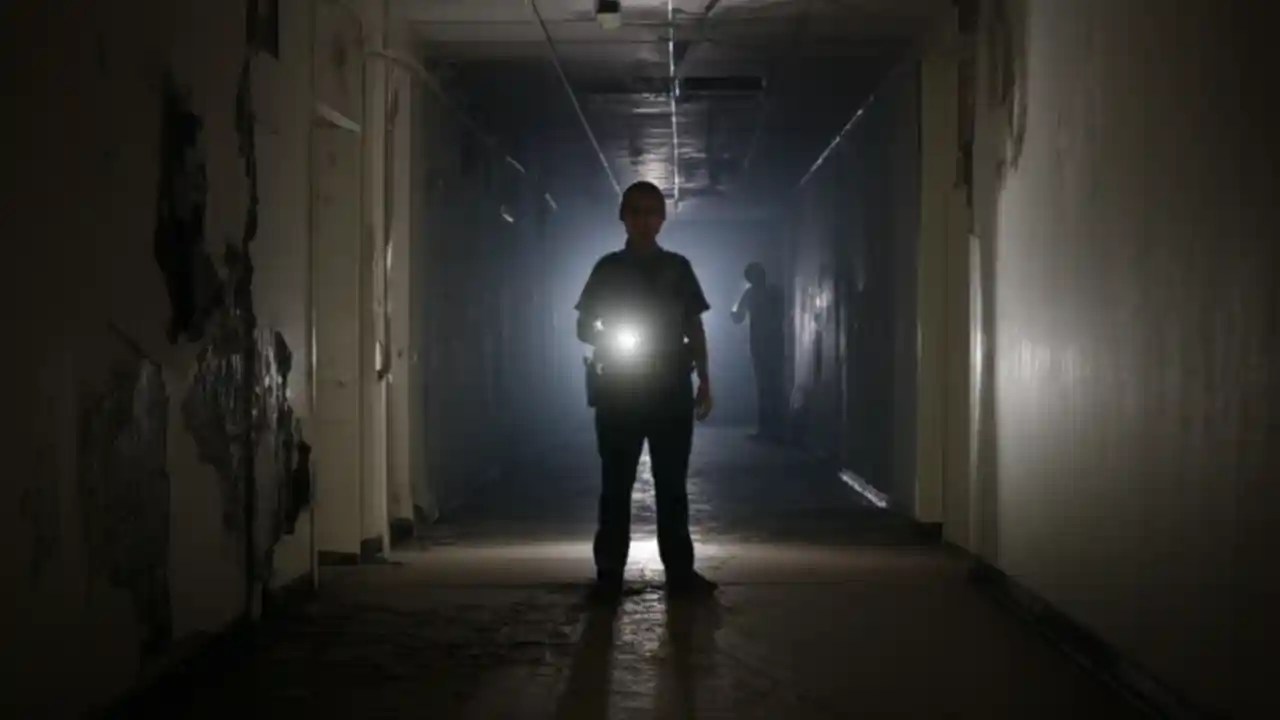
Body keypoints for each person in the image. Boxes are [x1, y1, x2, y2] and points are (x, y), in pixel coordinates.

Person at [575, 180, 718, 600]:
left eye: (650, 212)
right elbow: (582, 324)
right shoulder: (607, 269)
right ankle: (608, 574)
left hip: (671, 388)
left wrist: (705, 379)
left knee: (672, 484)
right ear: (623, 216)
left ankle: (680, 574)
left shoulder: (678, 268)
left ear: (661, 219)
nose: (642, 220)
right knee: (615, 484)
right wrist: (605, 331)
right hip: (620, 389)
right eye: (634, 212)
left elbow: (695, 326)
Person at [731, 262, 786, 439]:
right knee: (774, 386)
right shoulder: (774, 292)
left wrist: (732, 314)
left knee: (764, 387)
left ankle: (768, 428)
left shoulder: (750, 294)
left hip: (761, 345)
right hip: (774, 343)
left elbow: (738, 318)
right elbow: (781, 315)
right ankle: (774, 428)